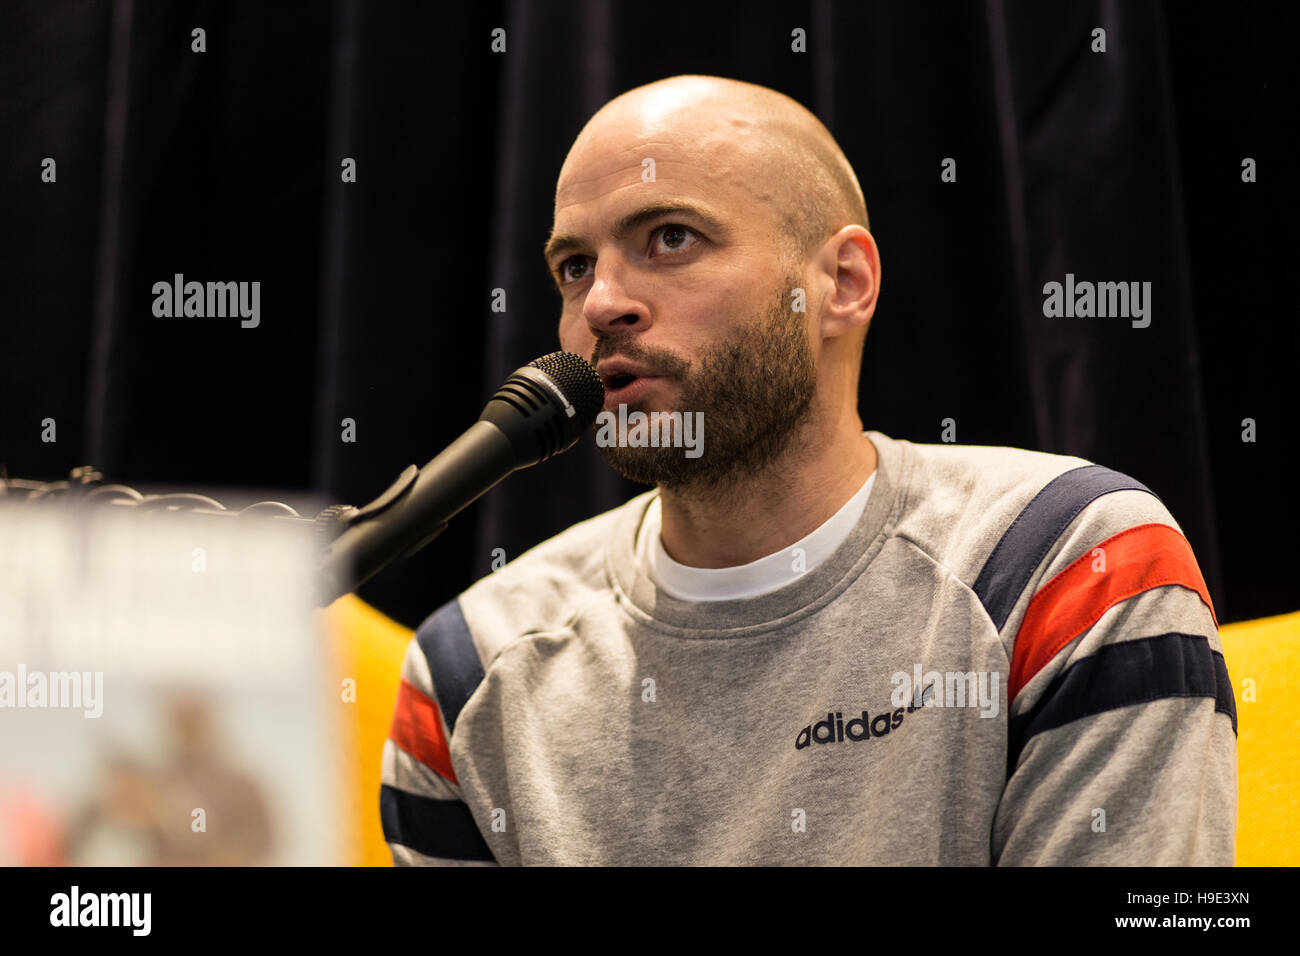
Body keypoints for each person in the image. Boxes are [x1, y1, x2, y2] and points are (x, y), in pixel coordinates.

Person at [380, 75, 1236, 865]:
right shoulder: (470, 666)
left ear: (843, 282)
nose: (602, 303)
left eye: (670, 238)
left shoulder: (1072, 563)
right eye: (575, 267)